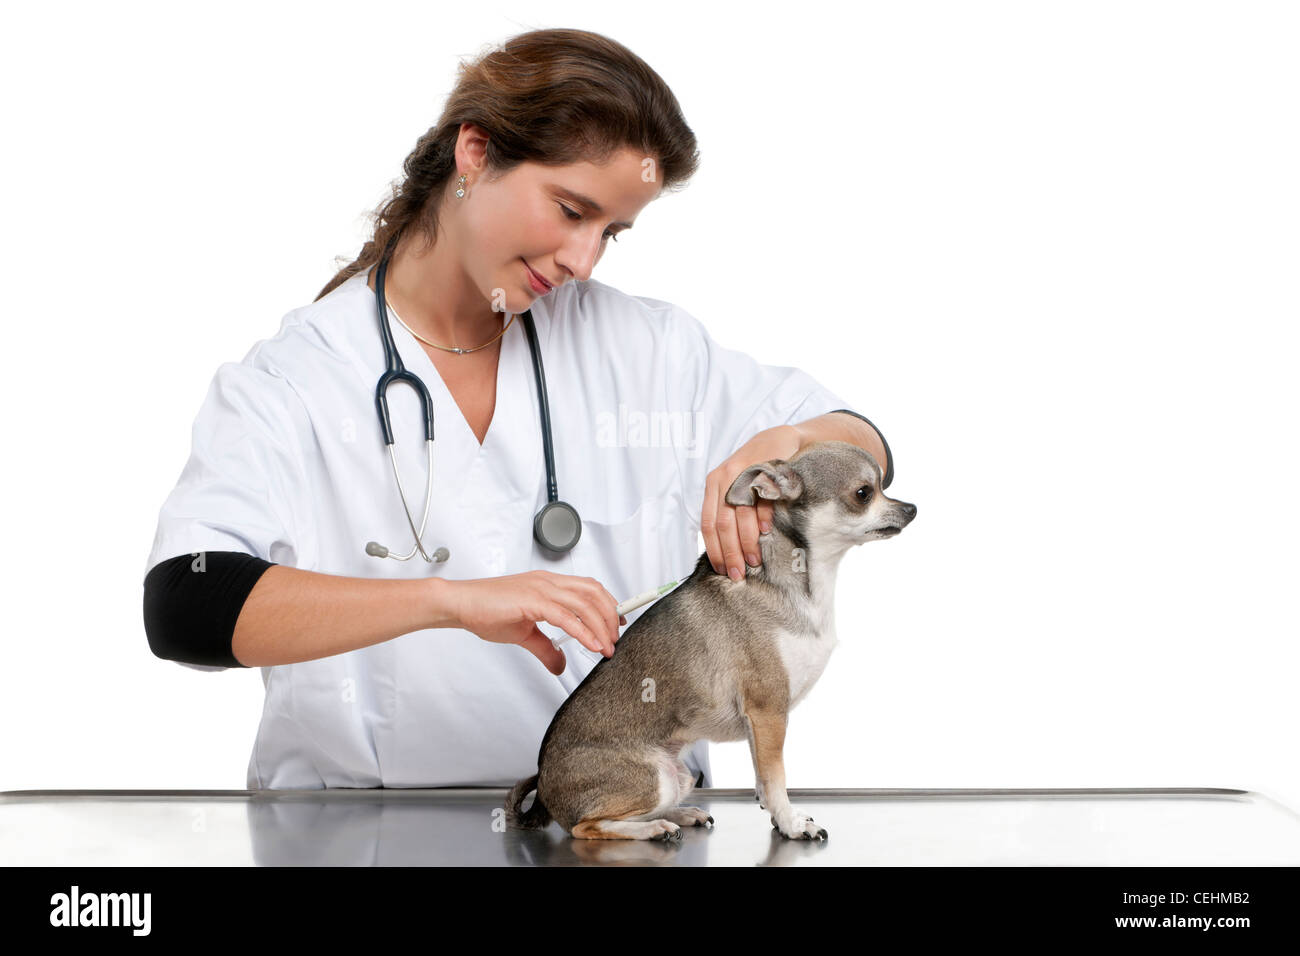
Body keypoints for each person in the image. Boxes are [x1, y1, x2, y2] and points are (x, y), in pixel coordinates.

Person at [142, 27, 894, 790]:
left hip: (624, 834)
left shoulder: (643, 348)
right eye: (571, 209)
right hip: (361, 835)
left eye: (612, 231)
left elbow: (859, 439)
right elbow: (183, 601)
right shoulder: (300, 379)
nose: (583, 259)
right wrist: (450, 601)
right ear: (476, 153)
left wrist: (792, 437)